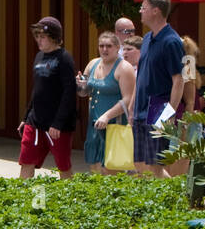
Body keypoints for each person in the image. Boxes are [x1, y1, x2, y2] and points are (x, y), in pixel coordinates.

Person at [17, 16, 78, 180]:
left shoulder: (64, 58)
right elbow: (37, 90)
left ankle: (68, 201)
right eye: (37, 36)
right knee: (26, 161)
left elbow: (69, 92)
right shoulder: (38, 57)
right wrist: (26, 117)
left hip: (57, 126)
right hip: (35, 122)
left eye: (42, 36)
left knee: (63, 165)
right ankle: (23, 199)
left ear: (54, 37)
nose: (39, 40)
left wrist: (58, 123)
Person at [131, 0, 184, 178]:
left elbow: (179, 80)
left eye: (143, 7)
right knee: (139, 162)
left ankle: (170, 200)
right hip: (141, 107)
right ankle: (152, 200)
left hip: (158, 106)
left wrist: (170, 113)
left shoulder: (171, 41)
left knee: (155, 164)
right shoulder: (146, 39)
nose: (140, 11)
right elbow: (142, 75)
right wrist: (132, 107)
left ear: (155, 11)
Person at [77, 30, 136, 173]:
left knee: (111, 169)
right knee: (94, 167)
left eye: (109, 46)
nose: (104, 49)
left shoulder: (124, 68)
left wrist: (107, 116)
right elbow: (83, 93)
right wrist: (81, 86)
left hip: (114, 124)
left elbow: (128, 99)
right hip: (95, 123)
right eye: (101, 46)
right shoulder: (93, 64)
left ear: (117, 48)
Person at [166, 36, 203, 178]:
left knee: (180, 161)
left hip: (184, 120)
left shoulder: (187, 66)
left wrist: (184, 127)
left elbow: (190, 102)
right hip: (177, 120)